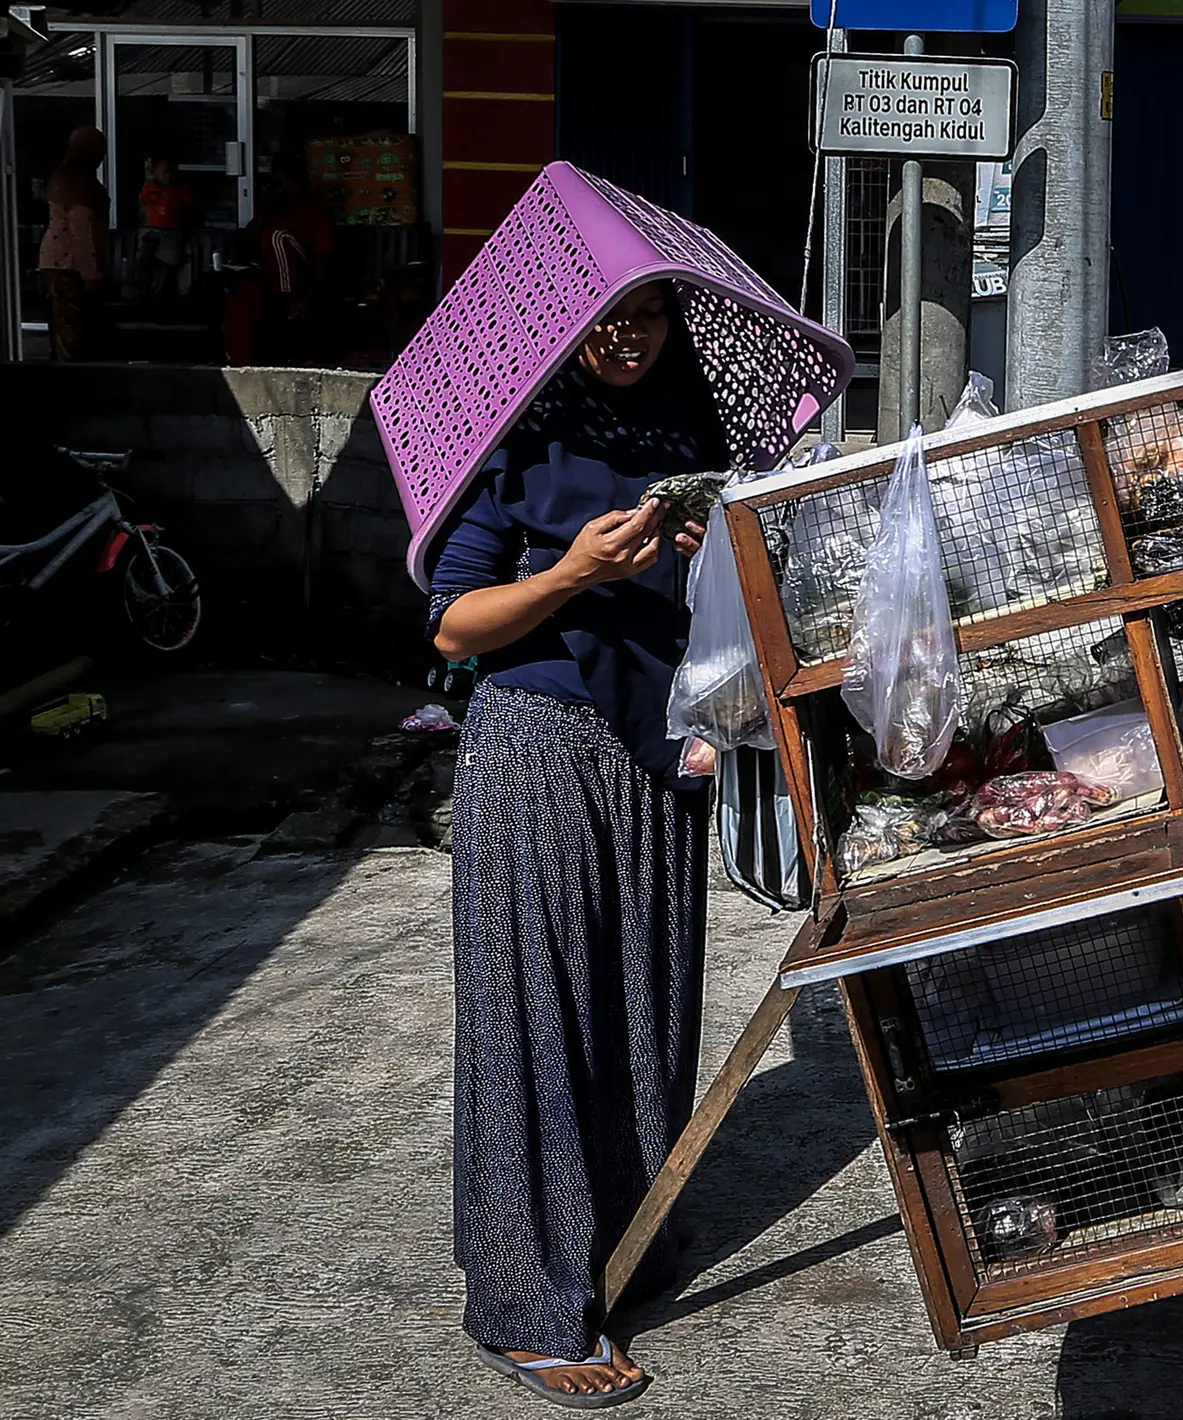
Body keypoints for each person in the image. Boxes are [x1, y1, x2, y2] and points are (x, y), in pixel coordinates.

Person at [427, 280, 721, 1408]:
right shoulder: (516, 440)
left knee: (644, 1008)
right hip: (539, 737)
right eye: (605, 314)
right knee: (535, 1020)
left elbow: (726, 607)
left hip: (663, 754)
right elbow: (454, 626)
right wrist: (571, 575)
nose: (627, 335)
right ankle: (525, 1304)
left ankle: (618, 1251)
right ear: (564, 320)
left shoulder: (691, 437)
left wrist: (707, 556)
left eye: (649, 315)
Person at [221, 163, 332, 365]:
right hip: (267, 278)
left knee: (276, 237)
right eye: (276, 184)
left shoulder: (313, 214)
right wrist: (266, 209)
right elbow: (246, 241)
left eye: (284, 183)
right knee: (239, 305)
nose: (281, 188)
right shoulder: (273, 211)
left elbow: (323, 259)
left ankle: (285, 297)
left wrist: (307, 296)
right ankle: (240, 364)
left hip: (300, 279)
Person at [38, 127, 106, 362]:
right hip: (70, 266)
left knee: (61, 328)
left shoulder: (62, 176)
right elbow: (81, 233)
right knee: (72, 333)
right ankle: (71, 385)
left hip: (54, 261)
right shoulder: (79, 183)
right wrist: (92, 274)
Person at [136, 156, 197, 299]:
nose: (169, 176)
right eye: (165, 172)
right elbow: (143, 206)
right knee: (145, 257)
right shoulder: (149, 188)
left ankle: (159, 292)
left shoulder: (179, 190)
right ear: (155, 172)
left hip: (171, 231)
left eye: (172, 172)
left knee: (166, 262)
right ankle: (144, 287)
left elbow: (189, 208)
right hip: (150, 229)